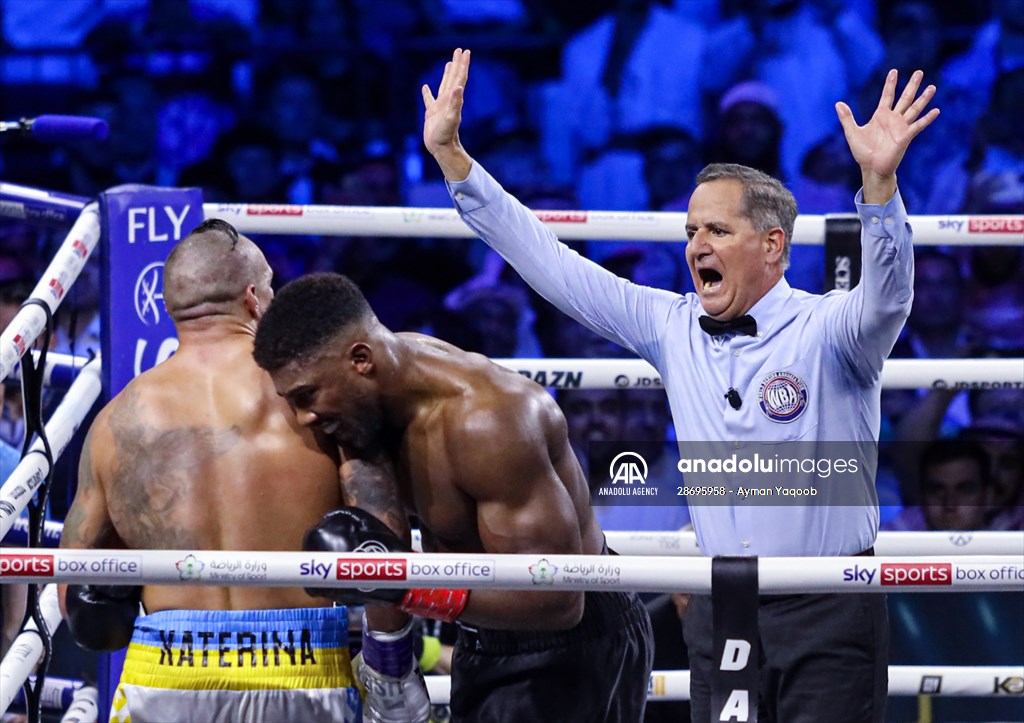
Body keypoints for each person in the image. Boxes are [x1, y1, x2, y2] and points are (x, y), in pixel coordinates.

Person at [423, 48, 940, 722]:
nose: (696, 244)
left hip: (828, 600)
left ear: (772, 246)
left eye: (718, 229)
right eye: (692, 230)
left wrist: (879, 187)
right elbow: (550, 264)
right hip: (722, 603)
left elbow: (889, 297)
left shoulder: (831, 329)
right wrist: (454, 160)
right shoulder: (671, 325)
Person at [252, 273, 654, 723]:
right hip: (482, 634)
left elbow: (559, 601)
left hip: (571, 647)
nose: (303, 418)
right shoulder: (364, 402)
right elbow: (381, 543)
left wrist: (404, 585)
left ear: (361, 360)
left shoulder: (488, 422)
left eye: (307, 396)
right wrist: (389, 664)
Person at [56, 219, 361, 723]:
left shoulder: (115, 423)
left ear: (172, 308)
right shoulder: (310, 396)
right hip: (301, 667)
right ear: (254, 299)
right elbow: (378, 535)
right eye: (271, 286)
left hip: (166, 677)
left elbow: (76, 595)